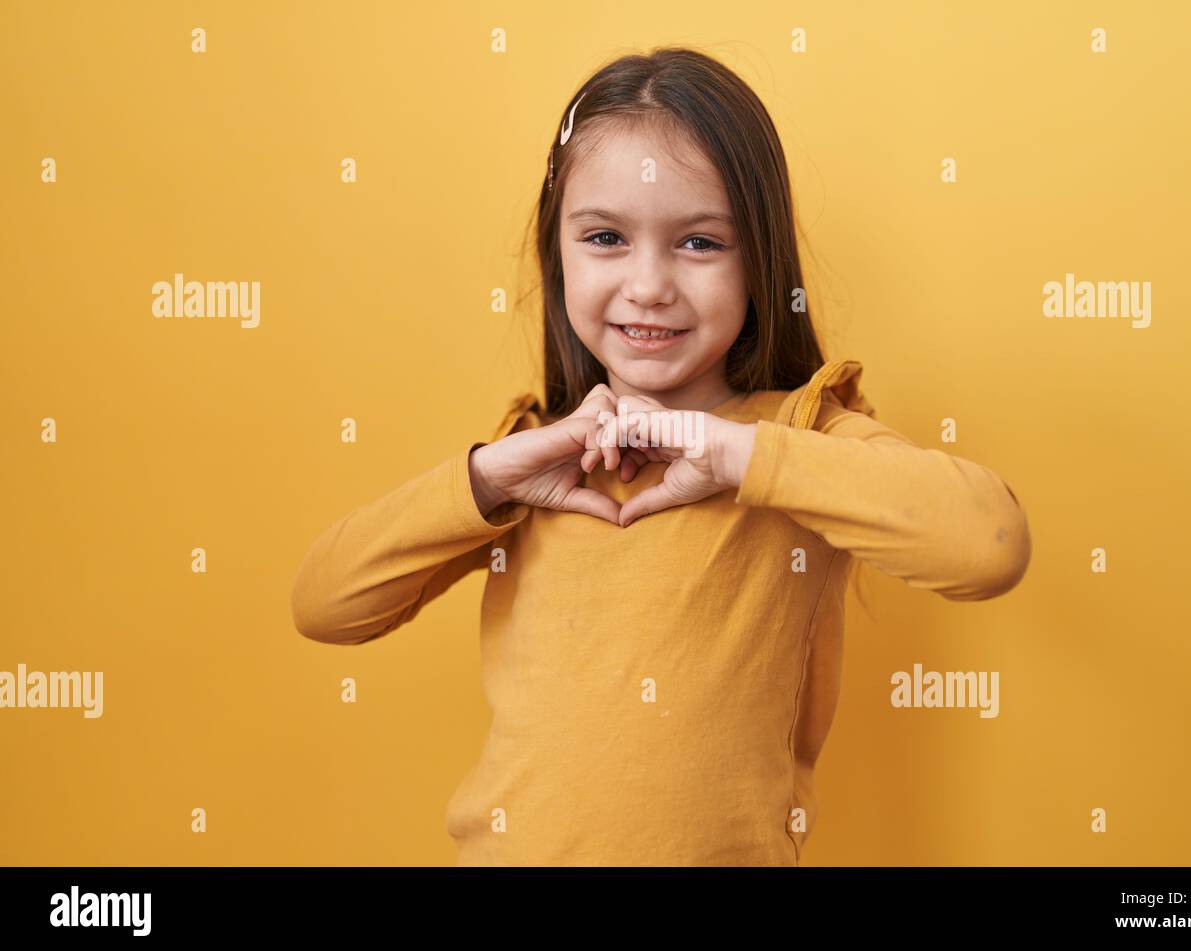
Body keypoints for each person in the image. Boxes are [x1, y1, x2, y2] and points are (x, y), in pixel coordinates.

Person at [290, 46, 1031, 866]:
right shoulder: (532, 461)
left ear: (761, 259)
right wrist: (489, 476)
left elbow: (985, 545)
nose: (648, 285)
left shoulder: (798, 439)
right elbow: (324, 604)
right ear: (557, 252)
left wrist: (737, 454)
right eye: (605, 237)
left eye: (700, 244)